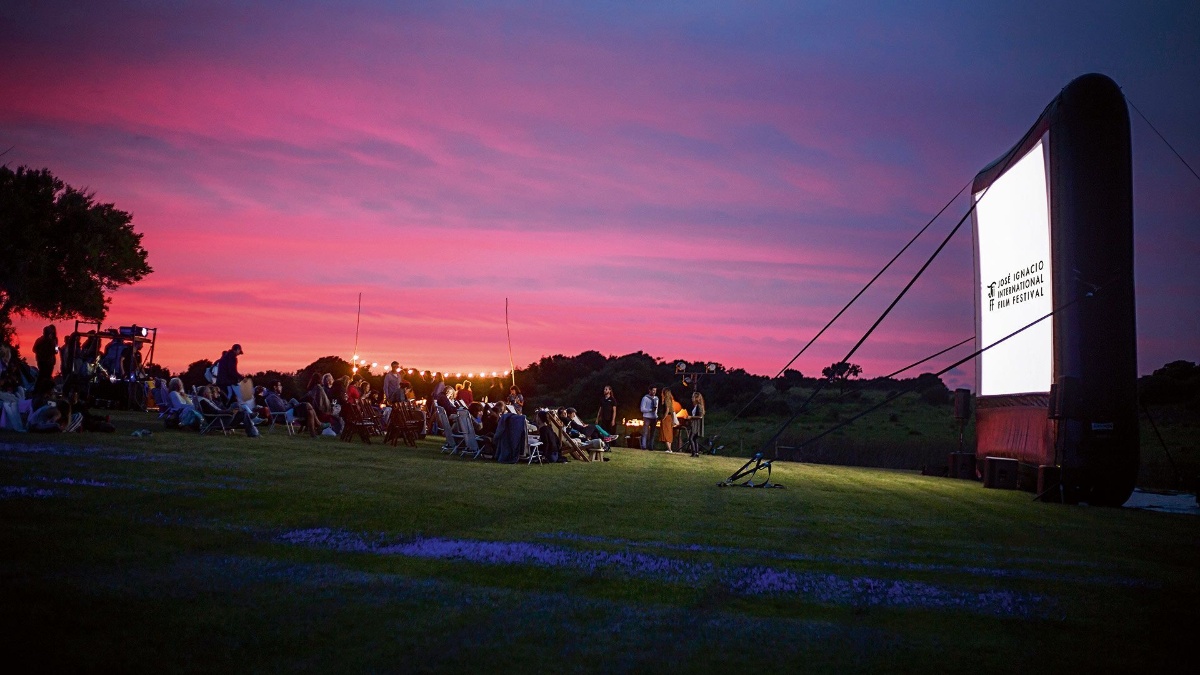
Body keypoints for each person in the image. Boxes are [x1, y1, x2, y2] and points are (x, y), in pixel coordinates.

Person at [33, 325, 58, 389]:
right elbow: (55, 350)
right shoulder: (43, 340)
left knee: (43, 376)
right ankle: (40, 390)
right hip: (45, 361)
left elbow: (56, 350)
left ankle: (41, 390)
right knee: (44, 376)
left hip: (46, 361)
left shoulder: (52, 340)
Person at [639, 385, 658, 450]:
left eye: (655, 390)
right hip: (647, 417)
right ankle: (644, 446)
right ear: (649, 390)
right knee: (645, 432)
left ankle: (651, 446)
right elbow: (642, 409)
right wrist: (650, 410)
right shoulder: (645, 398)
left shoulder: (656, 398)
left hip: (654, 417)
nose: (654, 392)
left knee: (652, 433)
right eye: (653, 390)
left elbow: (656, 408)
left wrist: (656, 413)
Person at [688, 392, 706, 457]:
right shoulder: (695, 406)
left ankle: (694, 452)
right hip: (694, 423)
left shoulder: (699, 406)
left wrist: (691, 417)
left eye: (693, 397)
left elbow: (700, 416)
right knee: (695, 438)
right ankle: (696, 452)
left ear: (696, 398)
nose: (692, 398)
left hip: (696, 424)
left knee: (691, 438)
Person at [659, 387, 677, 452]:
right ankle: (669, 448)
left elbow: (667, 410)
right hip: (670, 417)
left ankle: (669, 449)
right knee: (669, 433)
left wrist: (663, 417)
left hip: (667, 418)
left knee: (665, 432)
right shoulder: (670, 400)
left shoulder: (666, 400)